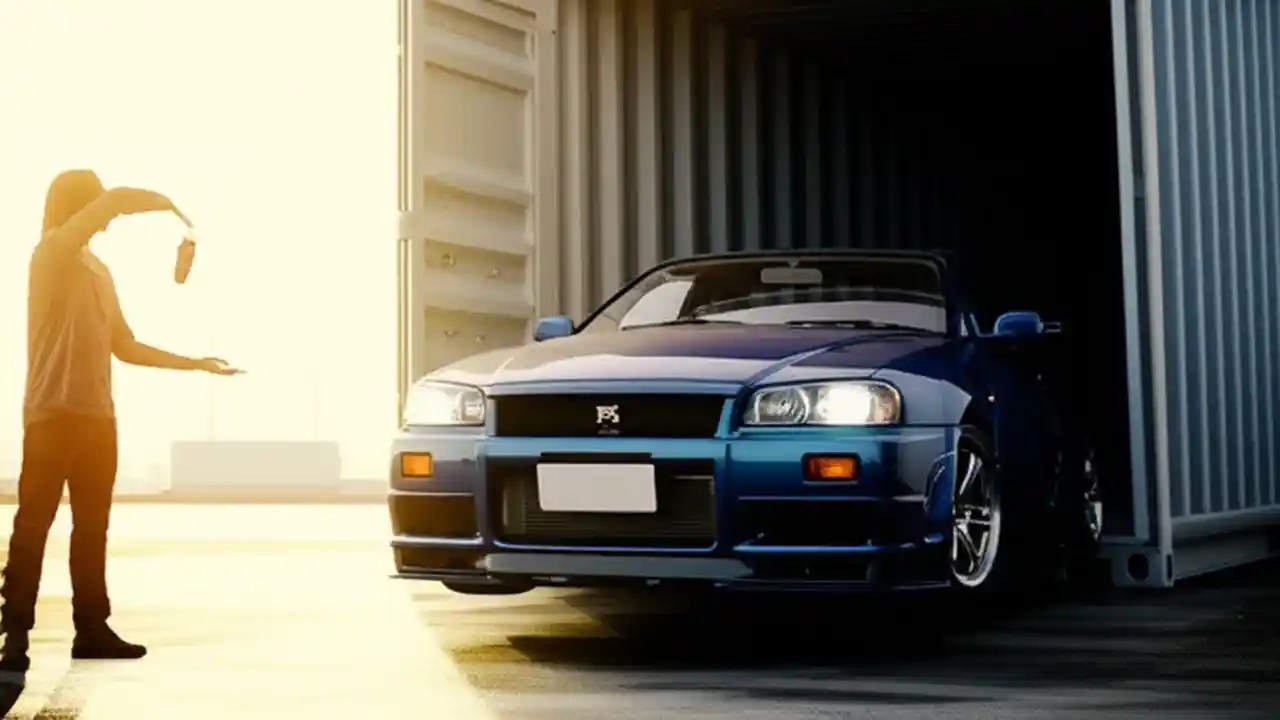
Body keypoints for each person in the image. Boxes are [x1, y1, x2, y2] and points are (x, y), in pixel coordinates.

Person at [0, 169, 241, 673]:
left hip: (98, 419)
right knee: (33, 527)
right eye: (96, 207)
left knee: (92, 530)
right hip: (50, 415)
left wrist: (194, 362)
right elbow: (105, 210)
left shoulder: (98, 272)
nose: (105, 223)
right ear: (79, 205)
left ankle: (91, 628)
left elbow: (124, 345)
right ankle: (15, 635)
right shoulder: (50, 254)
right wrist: (155, 201)